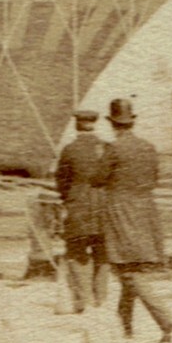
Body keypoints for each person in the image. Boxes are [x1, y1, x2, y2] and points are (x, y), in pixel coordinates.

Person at [102, 99, 172, 341]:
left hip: (121, 212)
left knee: (130, 272)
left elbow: (97, 178)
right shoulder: (148, 147)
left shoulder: (113, 149)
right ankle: (125, 326)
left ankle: (166, 321)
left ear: (113, 124)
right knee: (128, 269)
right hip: (146, 211)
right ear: (132, 122)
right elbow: (154, 179)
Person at [54, 109, 110, 313]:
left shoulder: (70, 150)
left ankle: (84, 300)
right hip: (104, 208)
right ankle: (101, 299)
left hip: (78, 207)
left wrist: (66, 199)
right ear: (94, 125)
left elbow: (62, 181)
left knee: (77, 253)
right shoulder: (106, 148)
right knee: (102, 254)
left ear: (77, 126)